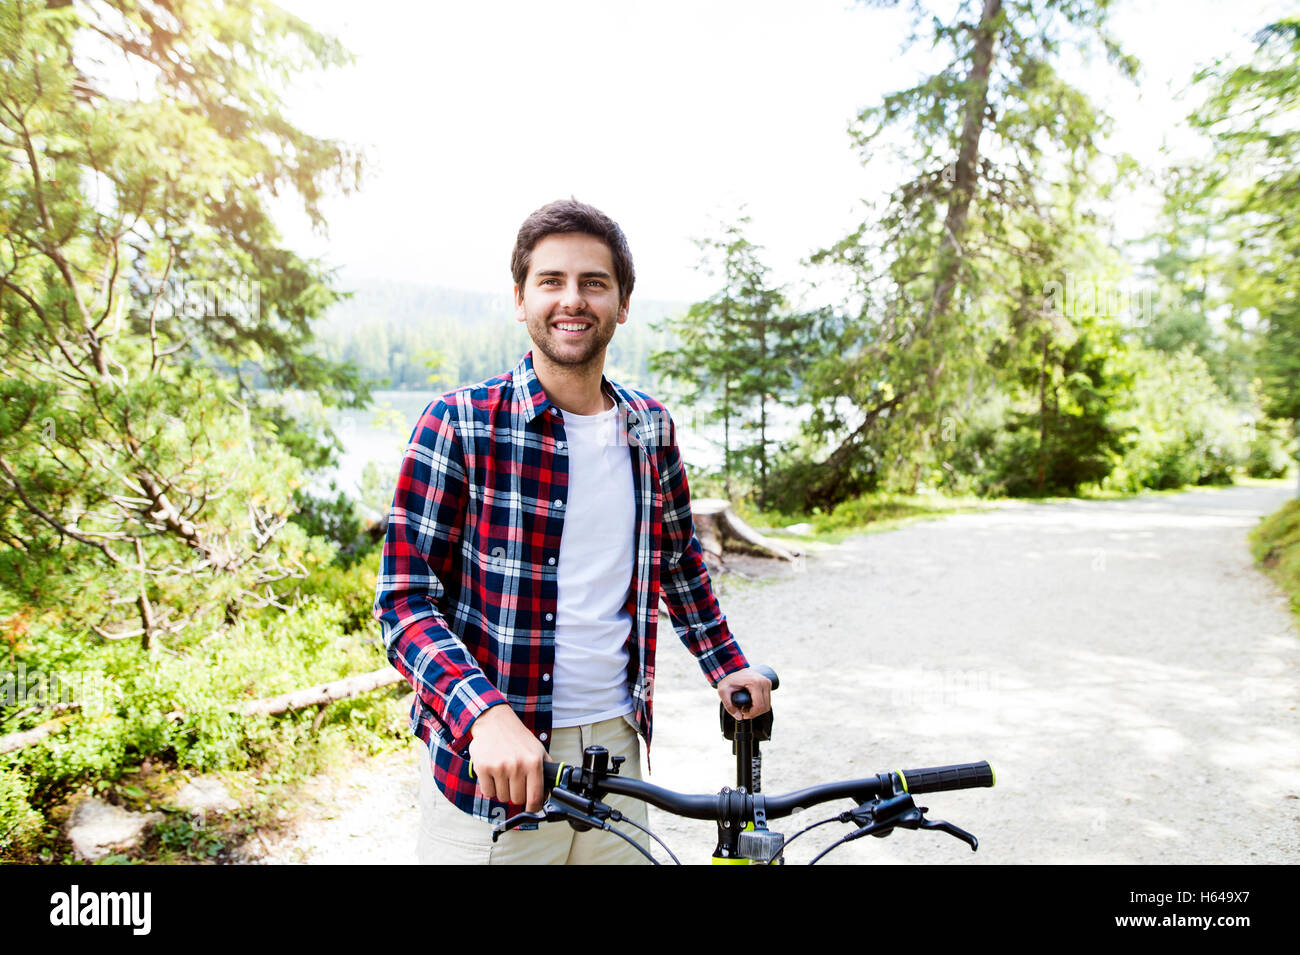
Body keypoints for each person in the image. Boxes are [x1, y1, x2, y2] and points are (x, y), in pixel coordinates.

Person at [373, 198, 771, 864]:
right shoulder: (459, 423)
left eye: (594, 282)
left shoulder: (649, 427)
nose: (572, 299)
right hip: (494, 765)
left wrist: (726, 662)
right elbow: (403, 603)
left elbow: (678, 562)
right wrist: (483, 714)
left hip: (619, 747)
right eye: (551, 281)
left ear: (621, 303)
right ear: (521, 300)